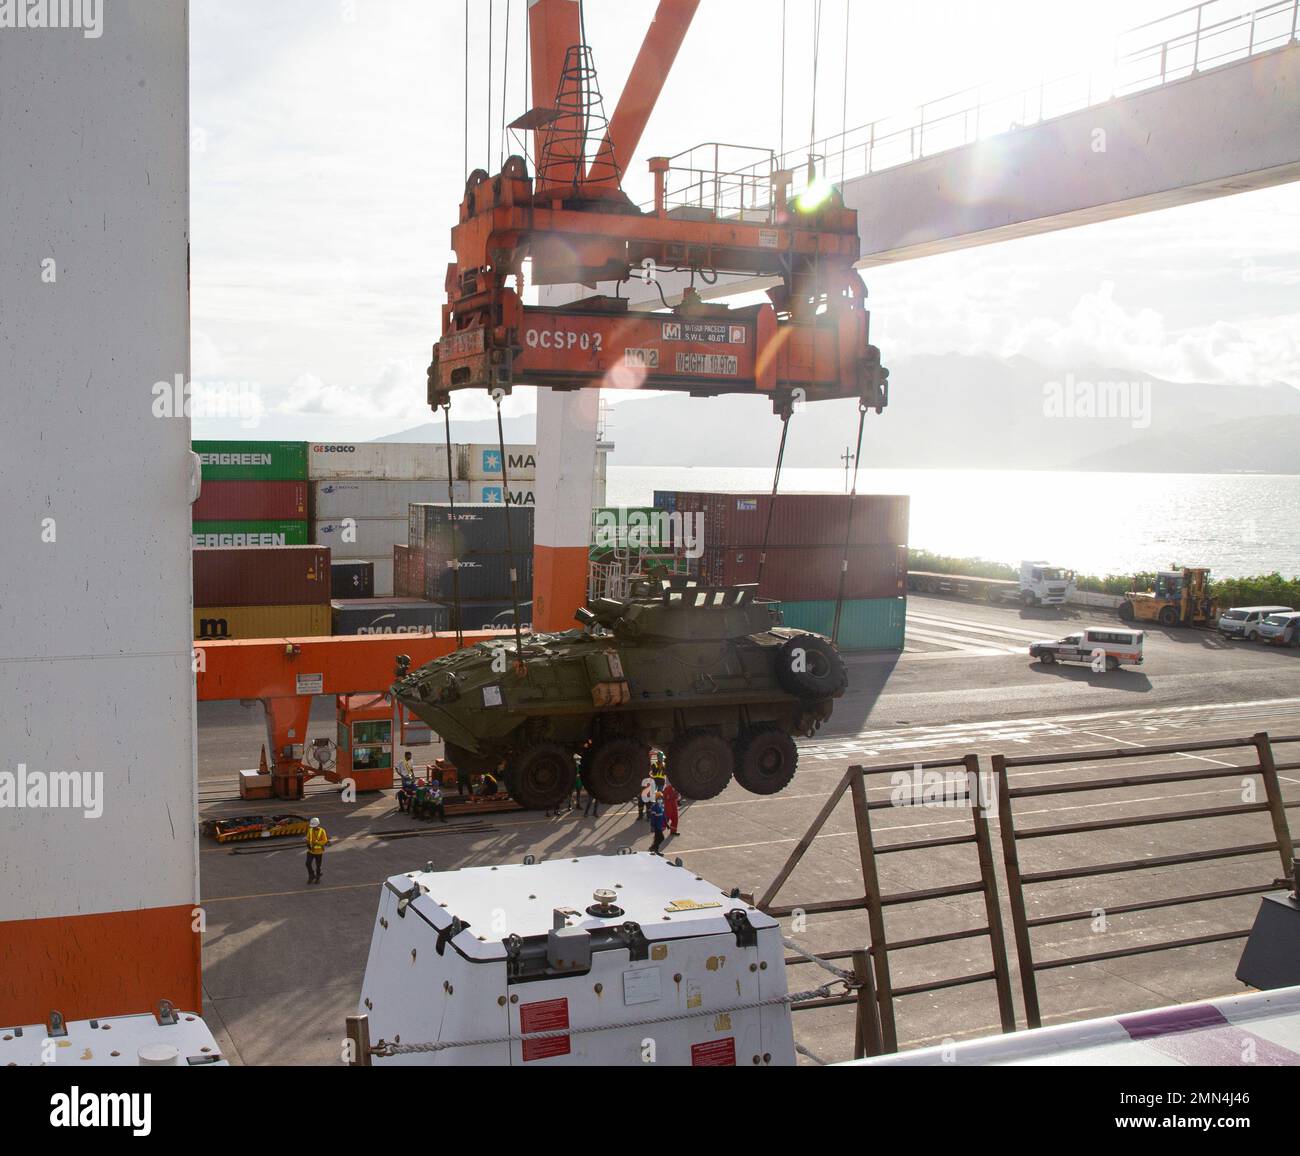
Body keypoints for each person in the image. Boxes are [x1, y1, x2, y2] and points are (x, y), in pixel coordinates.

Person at [305, 817, 328, 884]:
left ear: (318, 824)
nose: (313, 827)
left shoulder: (322, 831)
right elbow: (308, 838)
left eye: (314, 826)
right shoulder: (310, 830)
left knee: (318, 866)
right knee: (308, 863)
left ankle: (318, 877)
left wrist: (317, 843)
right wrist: (308, 844)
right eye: (312, 826)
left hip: (319, 852)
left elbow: (325, 841)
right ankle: (311, 875)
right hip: (311, 851)